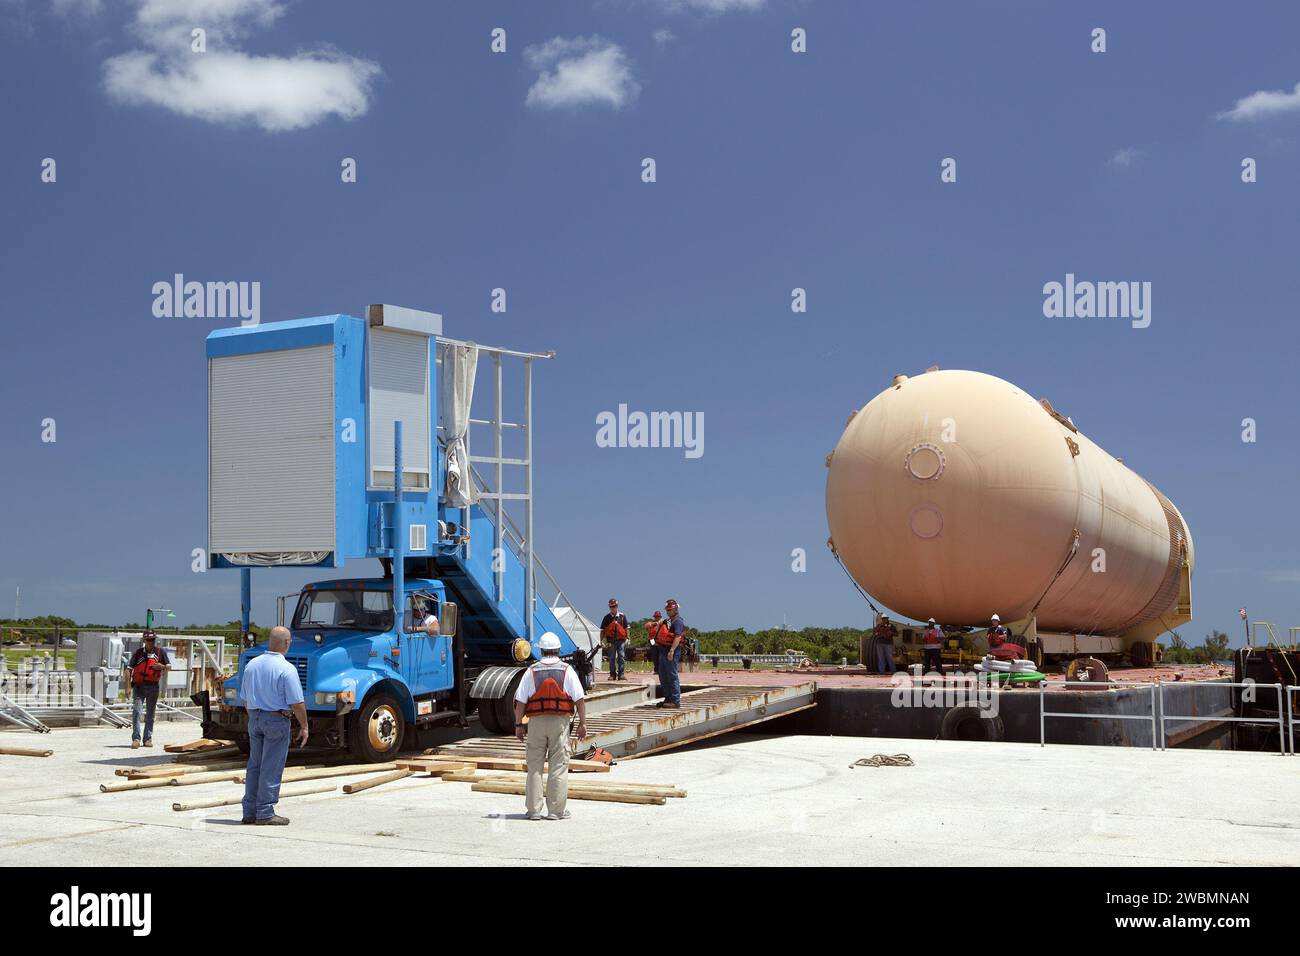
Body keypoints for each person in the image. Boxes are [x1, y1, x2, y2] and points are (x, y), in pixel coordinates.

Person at [238, 626, 309, 826]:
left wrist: (255, 716)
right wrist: (304, 726)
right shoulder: (287, 669)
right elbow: (297, 702)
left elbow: (244, 698)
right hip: (276, 719)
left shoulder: (252, 665)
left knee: (255, 766)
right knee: (271, 766)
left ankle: (249, 811)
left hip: (255, 718)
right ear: (287, 643)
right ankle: (265, 812)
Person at [514, 632, 588, 820]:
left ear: (541, 650)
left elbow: (520, 701)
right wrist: (582, 724)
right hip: (559, 723)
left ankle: (534, 811)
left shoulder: (531, 671)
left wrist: (518, 725)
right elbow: (579, 699)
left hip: (536, 722)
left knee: (535, 767)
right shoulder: (566, 670)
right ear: (557, 650)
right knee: (559, 766)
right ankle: (556, 811)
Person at [124, 631, 170, 749]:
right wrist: (128, 687)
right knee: (137, 712)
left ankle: (147, 738)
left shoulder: (160, 652)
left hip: (153, 687)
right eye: (148, 640)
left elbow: (169, 667)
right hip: (139, 686)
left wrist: (162, 667)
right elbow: (128, 670)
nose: (151, 642)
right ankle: (136, 739)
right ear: (144, 641)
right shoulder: (138, 654)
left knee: (150, 714)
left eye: (153, 640)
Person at [656, 599, 687, 708]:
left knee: (672, 675)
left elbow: (678, 637)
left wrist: (672, 650)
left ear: (675, 609)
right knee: (663, 675)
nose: (668, 611)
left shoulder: (678, 621)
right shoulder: (668, 620)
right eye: (667, 610)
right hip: (663, 650)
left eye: (670, 610)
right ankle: (668, 698)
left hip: (671, 651)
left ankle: (675, 700)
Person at [600, 598, 630, 681]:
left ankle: (621, 674)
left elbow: (627, 628)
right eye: (611, 606)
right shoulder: (606, 618)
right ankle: (612, 674)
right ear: (609, 607)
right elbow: (602, 630)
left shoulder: (622, 616)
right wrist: (601, 640)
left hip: (621, 641)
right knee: (612, 658)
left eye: (614, 606)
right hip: (611, 641)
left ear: (617, 606)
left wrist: (628, 638)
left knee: (621, 657)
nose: (613, 608)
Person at [646, 610, 666, 676]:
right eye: (656, 617)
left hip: (660, 641)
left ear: (660, 617)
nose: (657, 618)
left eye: (658, 616)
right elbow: (646, 626)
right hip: (652, 640)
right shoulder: (651, 623)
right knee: (654, 656)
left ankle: (661, 670)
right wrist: (653, 623)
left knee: (660, 656)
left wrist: (659, 623)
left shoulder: (663, 622)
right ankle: (656, 670)